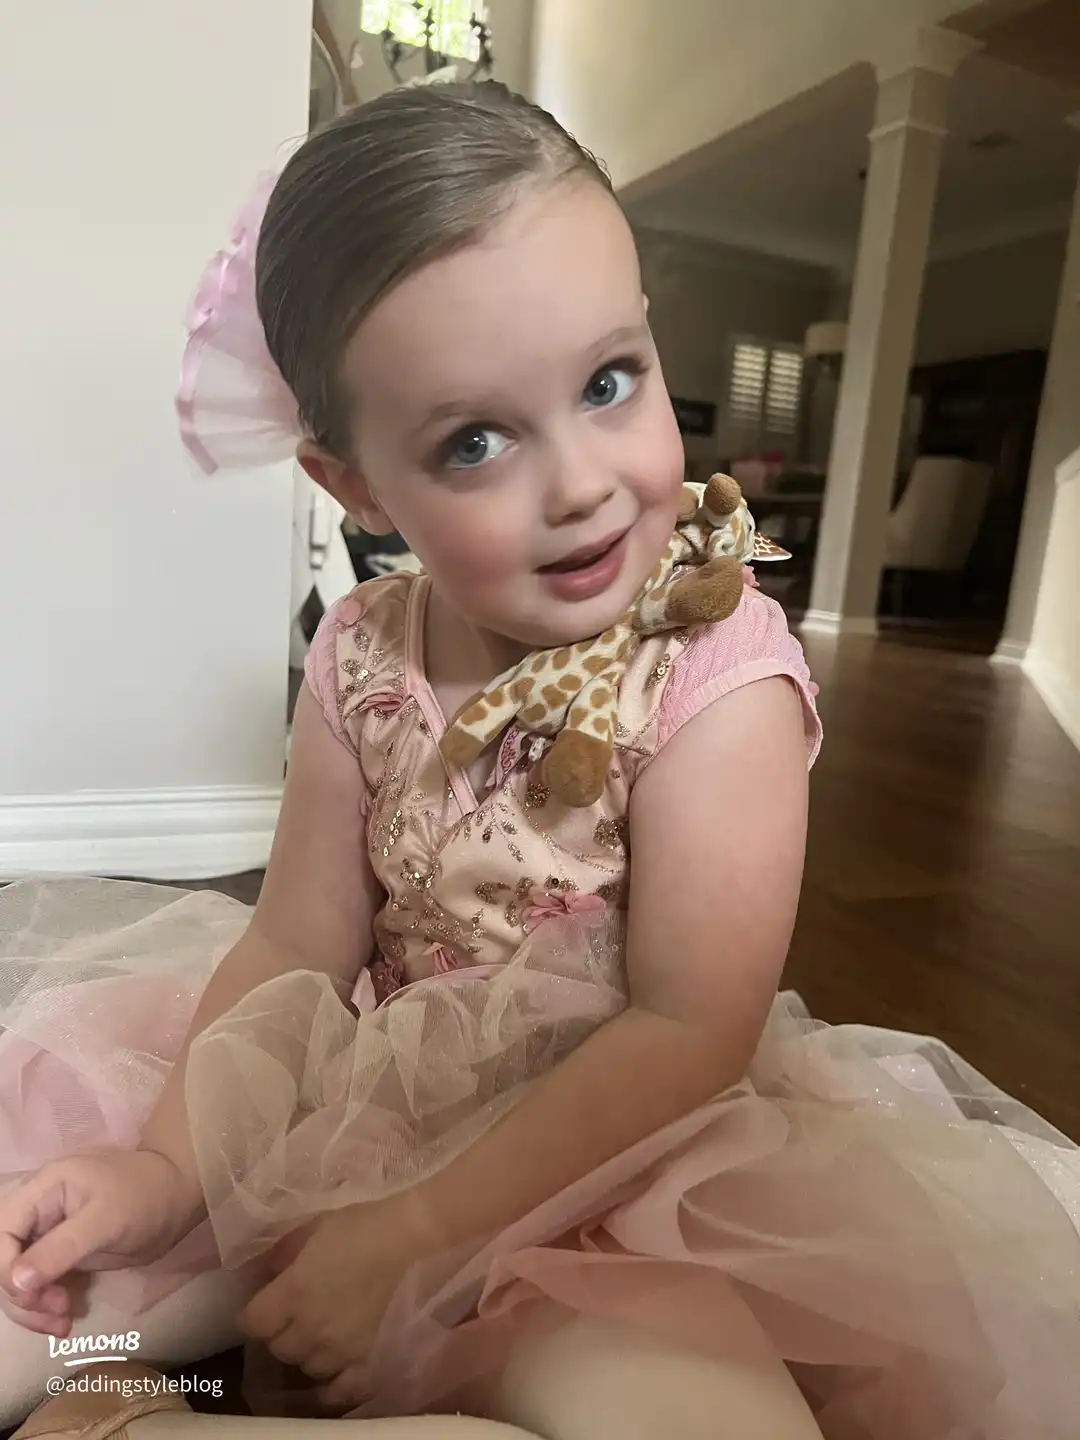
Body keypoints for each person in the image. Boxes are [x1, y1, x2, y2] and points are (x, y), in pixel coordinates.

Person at [1, 82, 1078, 1440]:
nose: (579, 481)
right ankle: (107, 1370)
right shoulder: (362, 650)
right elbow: (289, 945)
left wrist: (413, 1235)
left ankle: (134, 1419)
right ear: (360, 489)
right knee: (54, 1280)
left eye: (609, 382)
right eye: (474, 440)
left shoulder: (715, 669)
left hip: (620, 1168)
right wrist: (167, 1171)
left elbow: (689, 1030)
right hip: (351, 1104)